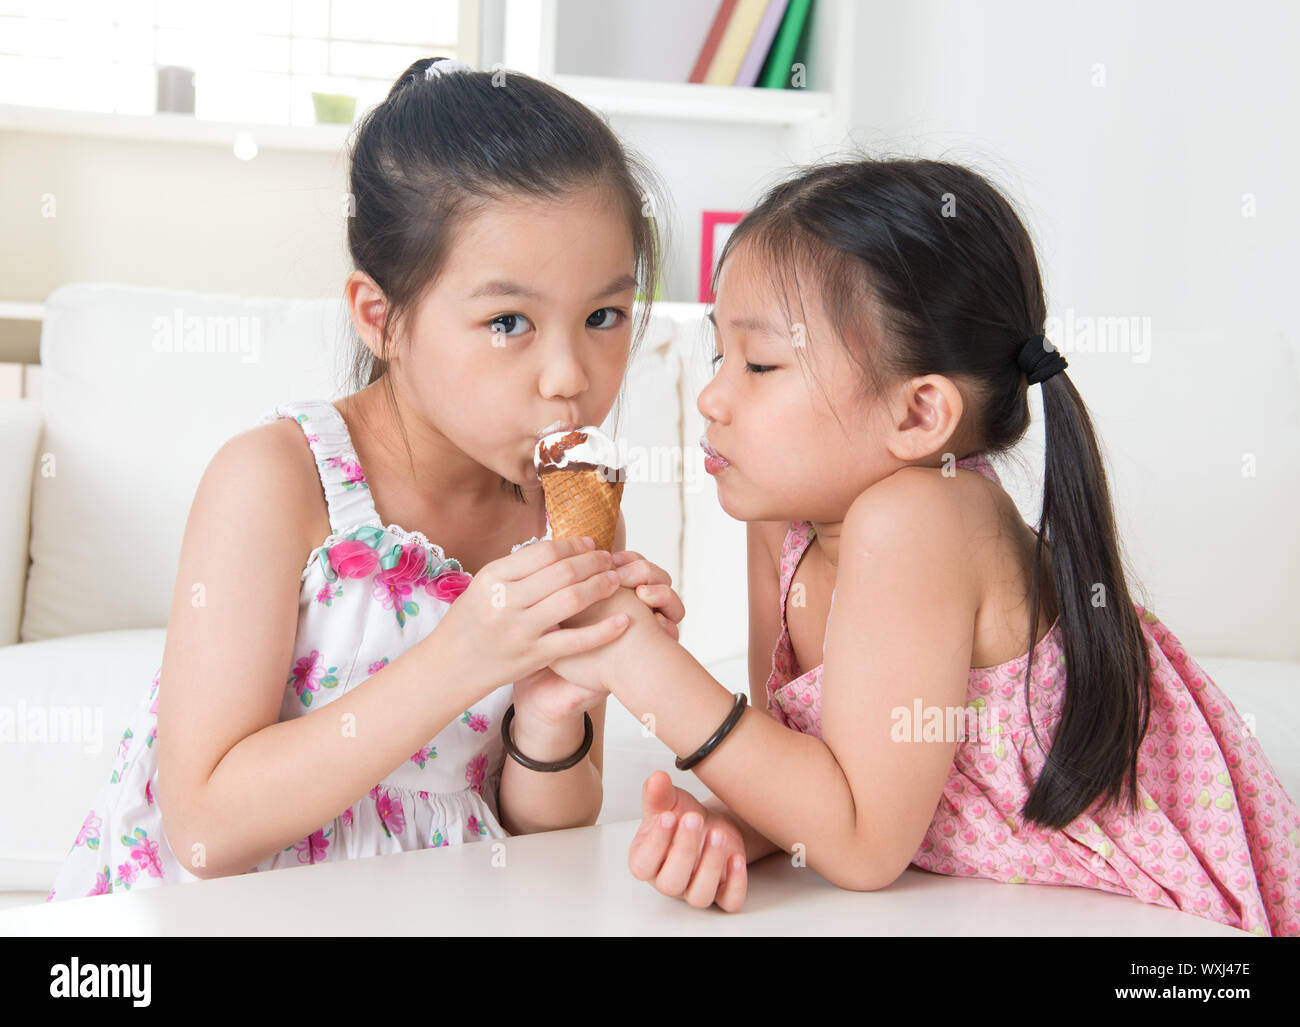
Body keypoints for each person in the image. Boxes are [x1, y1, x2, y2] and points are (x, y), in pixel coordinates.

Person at [551, 157, 1300, 936]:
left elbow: (865, 841)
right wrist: (735, 824)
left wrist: (641, 662)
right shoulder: (784, 518)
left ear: (918, 415)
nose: (711, 396)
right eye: (718, 357)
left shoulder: (923, 519)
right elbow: (821, 766)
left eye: (761, 364)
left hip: (1173, 930)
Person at [45, 57, 681, 900]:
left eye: (603, 315)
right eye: (508, 322)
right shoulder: (276, 482)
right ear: (382, 318)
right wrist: (462, 657)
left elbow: (545, 829)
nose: (568, 375)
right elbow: (202, 829)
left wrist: (554, 711)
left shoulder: (565, 522)